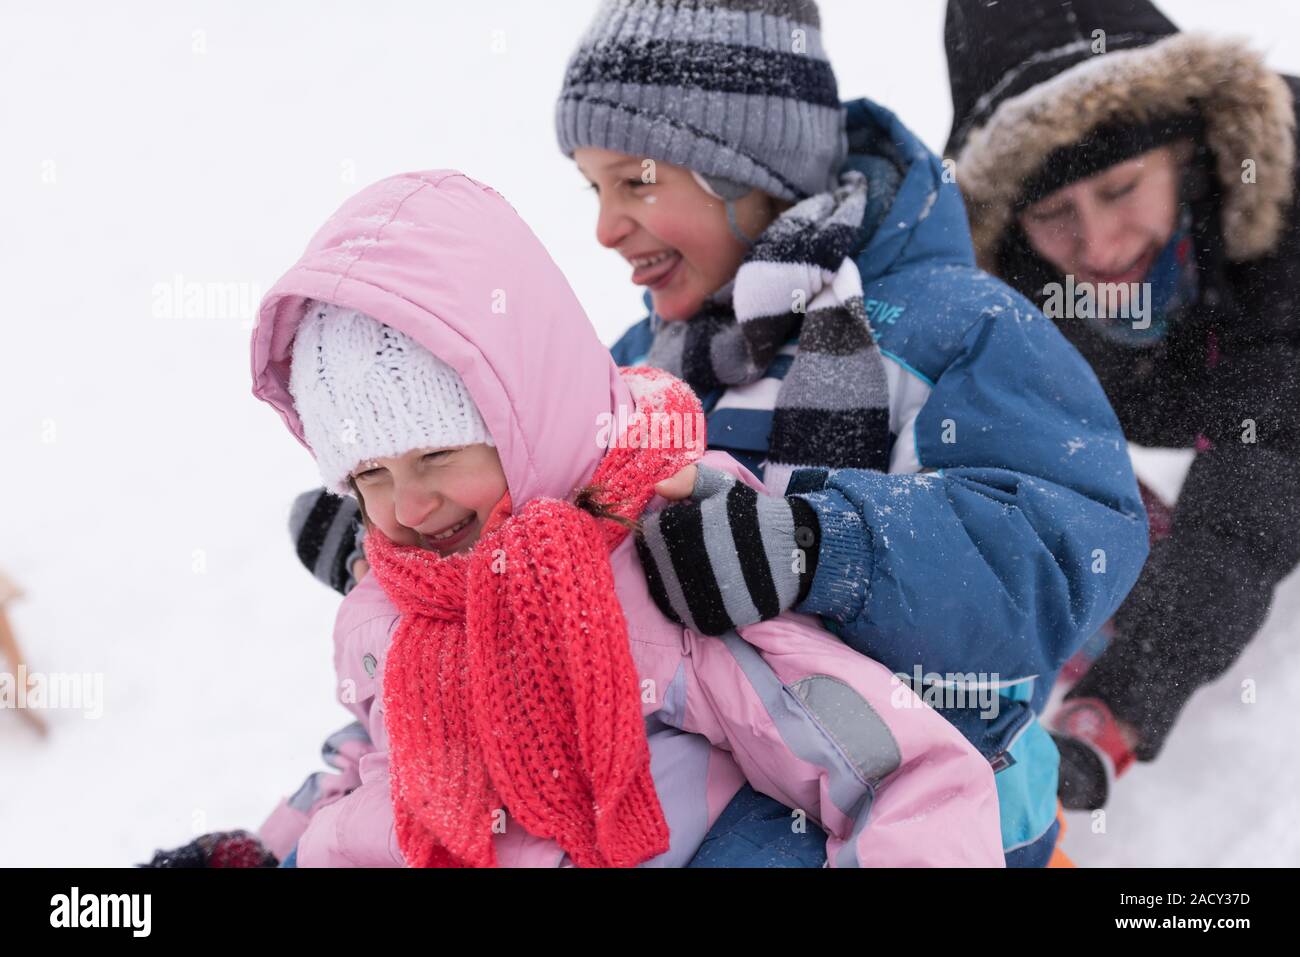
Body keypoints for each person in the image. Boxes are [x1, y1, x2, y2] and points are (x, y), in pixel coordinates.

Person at [285, 0, 1150, 867]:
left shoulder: (953, 327)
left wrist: (823, 548)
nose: (604, 226)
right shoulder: (635, 367)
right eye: (594, 188)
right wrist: (395, 541)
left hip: (946, 811)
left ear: (749, 166)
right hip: (720, 811)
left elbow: (1068, 541)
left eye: (636, 181)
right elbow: (548, 554)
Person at [249, 169, 1004, 867]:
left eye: (439, 455)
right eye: (369, 474)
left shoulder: (660, 556)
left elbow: (898, 771)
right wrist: (261, 852)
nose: (408, 506)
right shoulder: (396, 599)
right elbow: (371, 761)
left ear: (526, 418)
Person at [943, 0, 1300, 809]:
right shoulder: (1012, 278)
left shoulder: (1285, 208)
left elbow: (1266, 462)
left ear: (1188, 145)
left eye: (1119, 187)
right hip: (1203, 386)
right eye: (1053, 213)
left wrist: (1125, 704)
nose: (1098, 247)